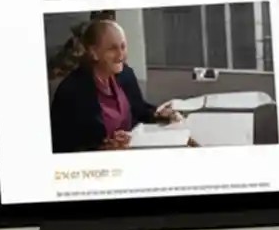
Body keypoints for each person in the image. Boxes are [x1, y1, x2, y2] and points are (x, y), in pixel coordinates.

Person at [49, 19, 183, 153]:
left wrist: (161, 114)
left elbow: (139, 110)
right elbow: (62, 147)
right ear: (94, 52)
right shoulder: (71, 91)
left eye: (123, 47)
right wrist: (104, 148)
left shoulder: (126, 74)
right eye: (112, 48)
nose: (121, 55)